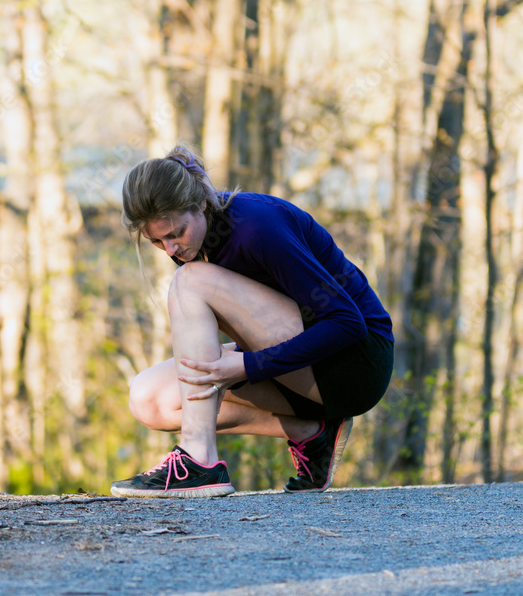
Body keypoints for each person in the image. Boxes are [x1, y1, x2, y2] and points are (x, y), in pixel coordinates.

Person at [110, 145, 394, 498]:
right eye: (156, 240)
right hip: (295, 369)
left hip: (355, 364)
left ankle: (198, 460)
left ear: (201, 203)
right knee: (149, 400)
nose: (170, 249)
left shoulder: (258, 228)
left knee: (189, 280)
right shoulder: (192, 242)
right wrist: (244, 363)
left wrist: (248, 365)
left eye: (175, 234)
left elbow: (347, 322)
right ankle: (310, 431)